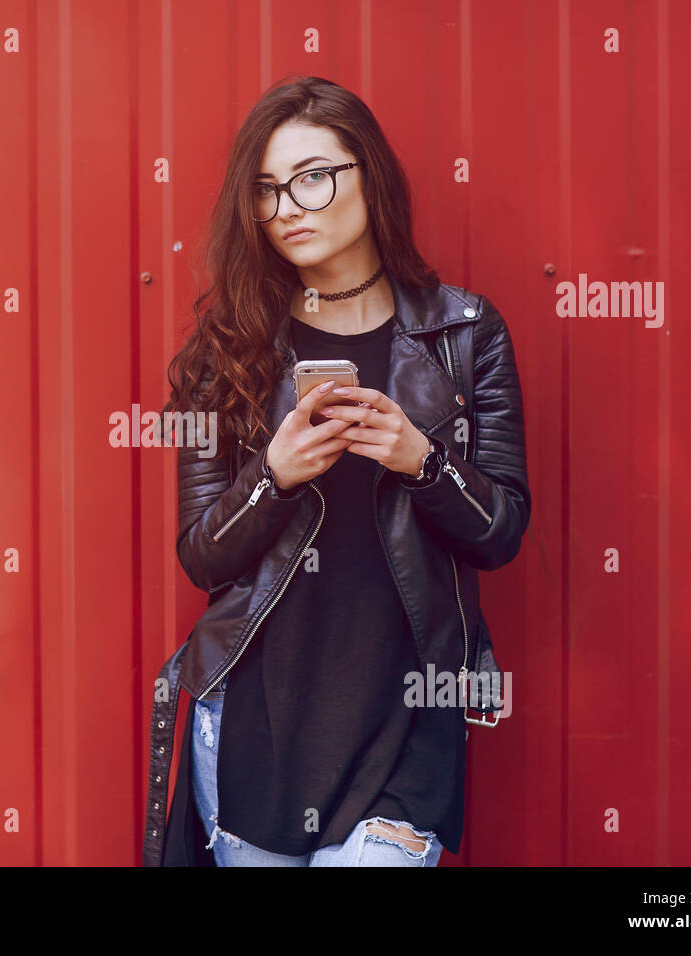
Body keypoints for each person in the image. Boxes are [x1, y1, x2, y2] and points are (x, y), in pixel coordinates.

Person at [143, 75, 531, 867]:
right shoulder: (228, 351)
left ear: (371, 176)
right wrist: (273, 477)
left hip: (407, 723)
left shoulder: (464, 334)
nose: (287, 206)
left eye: (313, 177)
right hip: (259, 725)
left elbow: (502, 533)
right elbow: (201, 556)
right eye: (267, 189)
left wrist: (423, 463)